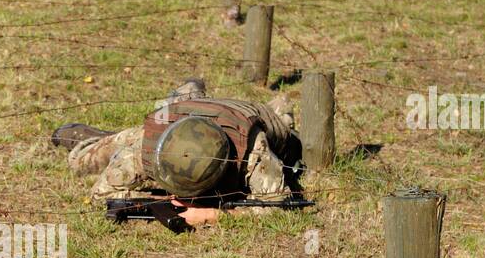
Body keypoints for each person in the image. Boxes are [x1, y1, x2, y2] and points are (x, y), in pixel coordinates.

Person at [51, 78, 301, 227]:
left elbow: (277, 206)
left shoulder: (254, 148)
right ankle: (103, 138)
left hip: (252, 116)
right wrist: (158, 203)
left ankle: (280, 109)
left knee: (289, 134)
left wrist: (211, 214)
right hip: (180, 112)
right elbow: (102, 193)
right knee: (81, 163)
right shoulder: (149, 143)